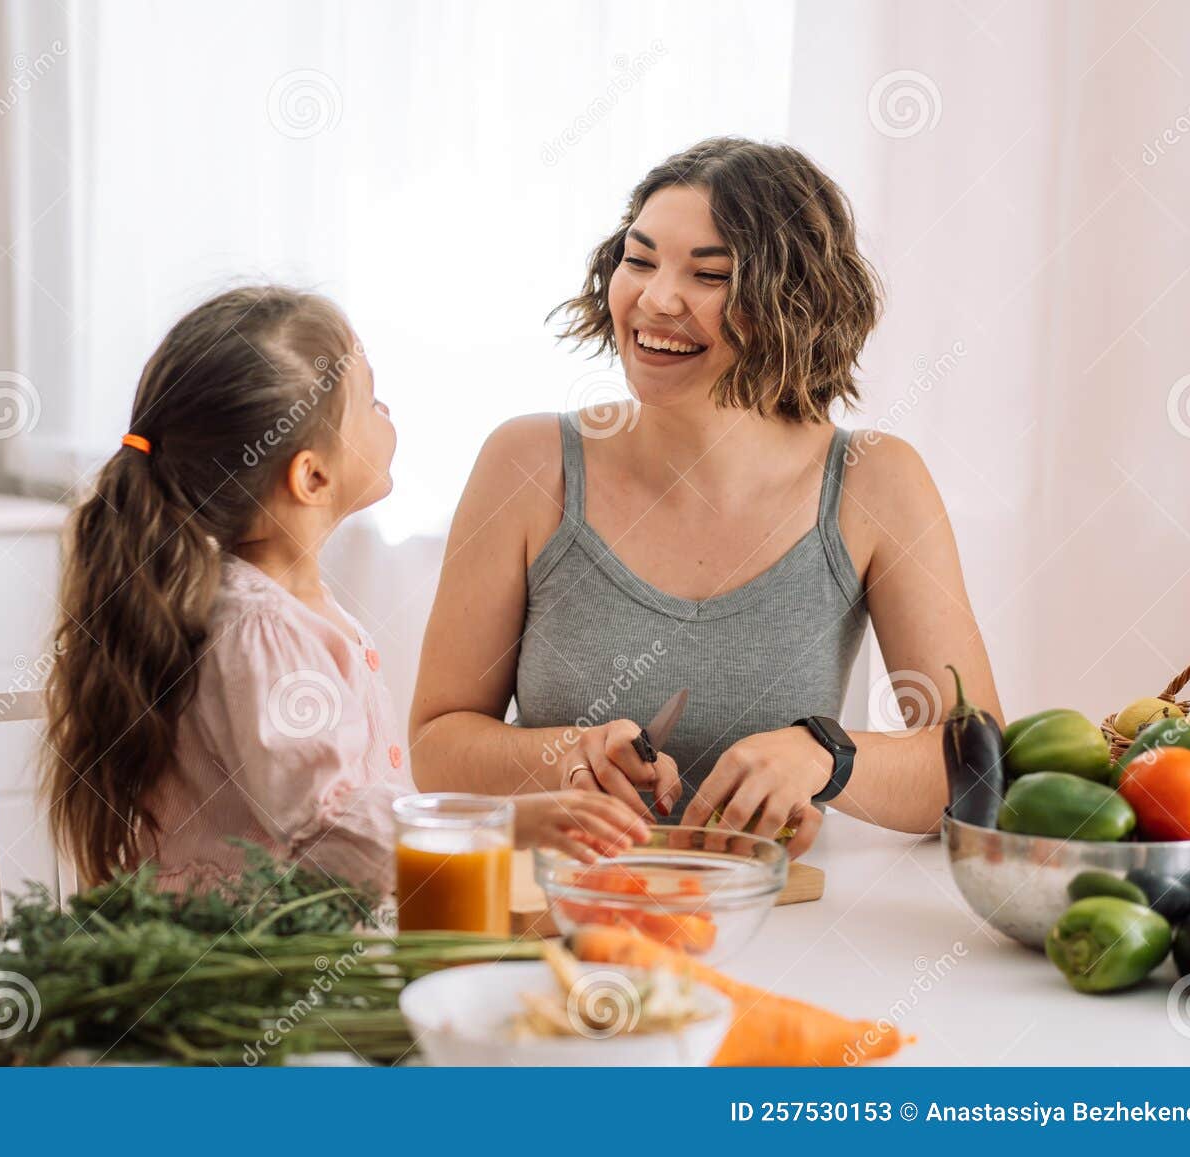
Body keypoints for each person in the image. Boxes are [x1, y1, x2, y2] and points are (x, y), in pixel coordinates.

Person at [411, 138, 1001, 857]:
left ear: (794, 302)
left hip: (788, 925)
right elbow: (437, 745)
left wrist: (827, 755)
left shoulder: (875, 480)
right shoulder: (529, 465)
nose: (656, 299)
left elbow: (975, 766)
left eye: (710, 274)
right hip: (562, 914)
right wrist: (568, 751)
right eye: (639, 259)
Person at [40, 286, 648, 893]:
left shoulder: (276, 610)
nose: (387, 414)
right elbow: (326, 829)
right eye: (370, 402)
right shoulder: (259, 629)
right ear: (312, 475)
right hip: (250, 962)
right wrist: (504, 824)